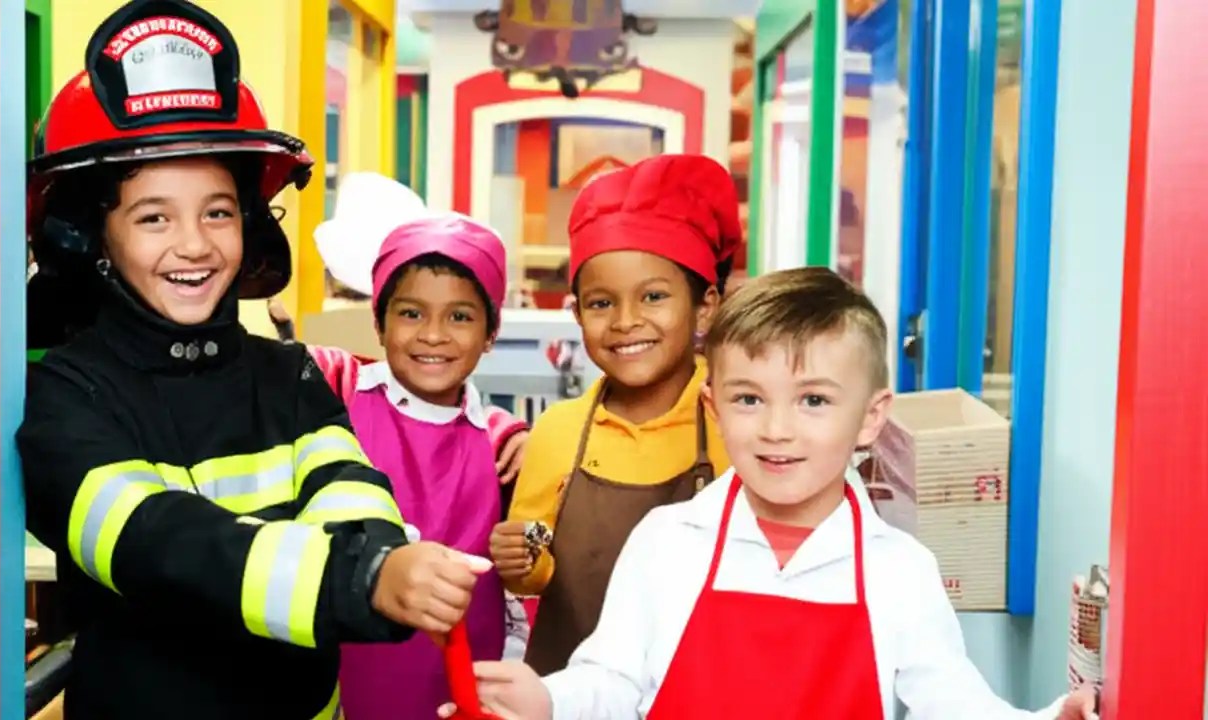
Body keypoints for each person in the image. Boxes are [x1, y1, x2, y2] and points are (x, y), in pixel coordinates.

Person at [17, 2, 484, 718]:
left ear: (252, 223)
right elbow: (158, 543)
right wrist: (359, 579)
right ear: (89, 237)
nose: (195, 245)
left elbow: (355, 499)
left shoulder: (289, 374)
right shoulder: (65, 395)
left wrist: (378, 556)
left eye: (218, 211)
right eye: (153, 217)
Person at [443, 268, 1098, 719]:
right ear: (714, 407)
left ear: (871, 418)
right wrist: (546, 701)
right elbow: (614, 681)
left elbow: (952, 702)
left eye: (814, 400)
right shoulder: (669, 542)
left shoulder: (897, 569)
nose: (777, 429)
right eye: (749, 399)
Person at [490, 154, 742, 675]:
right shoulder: (558, 432)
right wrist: (518, 559)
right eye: (601, 303)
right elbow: (530, 574)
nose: (627, 322)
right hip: (570, 690)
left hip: (698, 691)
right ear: (576, 313)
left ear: (705, 305)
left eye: (653, 296)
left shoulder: (734, 425)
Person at [304, 174, 530, 718]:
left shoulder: (504, 440)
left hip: (460, 679)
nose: (433, 334)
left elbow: (533, 563)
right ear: (378, 323)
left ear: (491, 333)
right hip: (340, 673)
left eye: (460, 316)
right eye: (410, 313)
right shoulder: (338, 389)